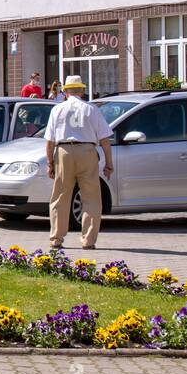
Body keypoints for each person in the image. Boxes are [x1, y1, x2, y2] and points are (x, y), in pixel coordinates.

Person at [43, 74, 114, 250]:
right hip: (87, 151)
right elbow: (105, 139)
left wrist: (50, 163)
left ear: (65, 92)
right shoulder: (91, 109)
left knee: (60, 196)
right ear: (82, 91)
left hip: (64, 151)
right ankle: (88, 241)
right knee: (91, 197)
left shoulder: (57, 110)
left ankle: (56, 239)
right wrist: (109, 163)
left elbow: (49, 141)